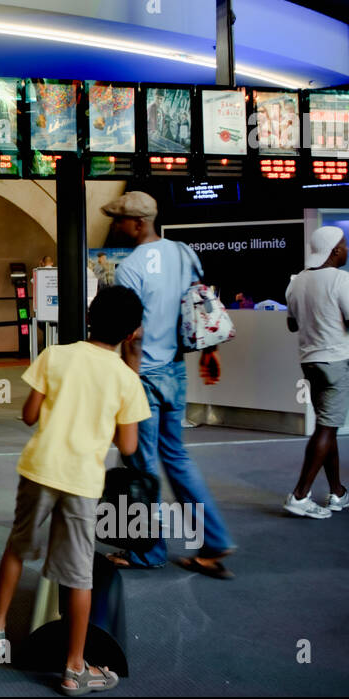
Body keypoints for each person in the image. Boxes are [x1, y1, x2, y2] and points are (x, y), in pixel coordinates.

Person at [0, 285, 150, 695]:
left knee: (19, 547)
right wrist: (131, 368)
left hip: (39, 468)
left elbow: (28, 414)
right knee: (78, 574)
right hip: (81, 481)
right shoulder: (127, 379)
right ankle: (75, 669)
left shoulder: (54, 355)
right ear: (130, 333)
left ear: (90, 316)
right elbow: (128, 447)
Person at [101, 191, 237, 578]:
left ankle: (147, 551)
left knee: (141, 464)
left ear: (139, 223)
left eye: (120, 219)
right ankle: (214, 539)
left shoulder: (129, 268)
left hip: (144, 375)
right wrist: (210, 353)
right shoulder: (183, 252)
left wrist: (126, 384)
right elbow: (201, 305)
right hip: (176, 372)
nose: (116, 225)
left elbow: (134, 334)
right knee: (176, 456)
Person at [283, 227, 349, 518]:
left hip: (310, 363)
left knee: (327, 425)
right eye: (344, 245)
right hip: (337, 363)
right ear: (334, 250)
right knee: (326, 429)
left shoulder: (297, 282)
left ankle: (338, 493)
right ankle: (299, 495)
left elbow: (292, 325)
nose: (347, 250)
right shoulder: (341, 279)